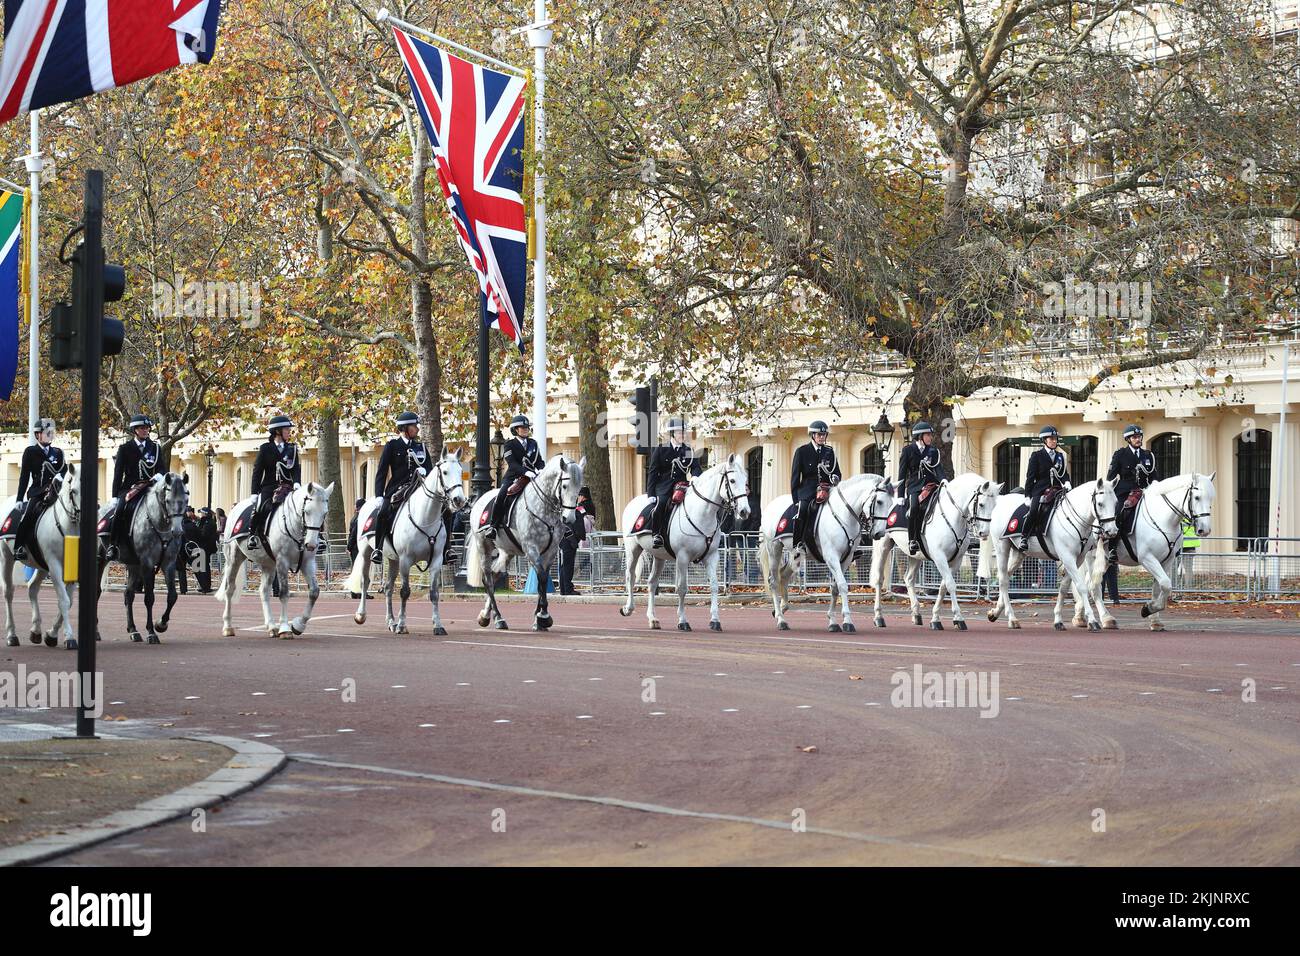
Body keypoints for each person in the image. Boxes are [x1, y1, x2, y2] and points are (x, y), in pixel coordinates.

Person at [1104, 423, 1157, 587]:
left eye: (1139, 436)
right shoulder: (1120, 455)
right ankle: (1112, 548)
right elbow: (1111, 477)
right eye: (1134, 437)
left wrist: (1154, 488)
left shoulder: (1148, 455)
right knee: (1119, 513)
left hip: (1145, 492)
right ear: (1128, 439)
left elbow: (1154, 476)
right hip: (1125, 492)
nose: (1138, 439)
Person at [371, 411, 428, 558]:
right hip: (397, 488)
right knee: (383, 512)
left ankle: (447, 549)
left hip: (418, 488)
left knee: (444, 510)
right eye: (414, 426)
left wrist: (425, 471)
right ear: (404, 428)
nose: (417, 428)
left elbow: (431, 469)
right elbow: (382, 471)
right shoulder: (392, 446)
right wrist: (379, 495)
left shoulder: (420, 447)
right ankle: (378, 549)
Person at [106, 414, 161, 561]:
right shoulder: (125, 448)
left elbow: (162, 468)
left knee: (169, 506)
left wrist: (158, 476)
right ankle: (113, 544)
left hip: (150, 486)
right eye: (142, 428)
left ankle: (177, 545)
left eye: (147, 428)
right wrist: (114, 496)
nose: (145, 430)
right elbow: (118, 474)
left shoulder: (155, 448)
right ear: (135, 430)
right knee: (120, 509)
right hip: (130, 487)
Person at [12, 418, 67, 563]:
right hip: (38, 492)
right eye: (47, 432)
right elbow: (24, 476)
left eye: (51, 432)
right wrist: (19, 498)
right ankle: (19, 547)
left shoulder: (58, 453)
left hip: (57, 491)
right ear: (38, 435)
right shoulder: (30, 452)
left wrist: (61, 477)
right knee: (28, 515)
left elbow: (66, 471)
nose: (50, 435)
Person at [485, 415, 545, 541]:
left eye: (527, 427)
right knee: (501, 495)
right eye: (522, 427)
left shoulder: (533, 443)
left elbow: (539, 461)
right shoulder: (509, 444)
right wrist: (525, 472)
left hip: (533, 476)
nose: (525, 429)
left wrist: (540, 469)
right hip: (514, 477)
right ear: (516, 430)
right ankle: (494, 526)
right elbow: (512, 464)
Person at [647, 418, 701, 551]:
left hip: (682, 485)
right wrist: (651, 493)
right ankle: (656, 534)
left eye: (684, 433)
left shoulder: (688, 450)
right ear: (672, 434)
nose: (683, 435)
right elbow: (653, 472)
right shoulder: (661, 449)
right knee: (661, 504)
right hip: (664, 487)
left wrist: (694, 476)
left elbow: (696, 467)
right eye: (679, 433)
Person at [790, 421, 842, 552]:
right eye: (819, 434)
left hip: (827, 488)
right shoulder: (802, 451)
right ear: (812, 435)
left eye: (824, 434)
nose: (822, 437)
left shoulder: (829, 451)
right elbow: (795, 477)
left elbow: (837, 472)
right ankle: (798, 543)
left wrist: (835, 478)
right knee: (802, 510)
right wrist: (796, 500)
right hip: (807, 489)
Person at [249, 414, 301, 544]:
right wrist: (254, 492)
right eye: (286, 430)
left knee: (305, 505)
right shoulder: (265, 448)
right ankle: (253, 535)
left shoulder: (292, 448)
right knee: (260, 507)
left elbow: (295, 469)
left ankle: (315, 537)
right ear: (277, 431)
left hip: (287, 486)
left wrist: (297, 483)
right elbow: (258, 471)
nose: (289, 432)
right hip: (269, 487)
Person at [1019, 425, 1072, 551]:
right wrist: (1028, 495)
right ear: (1045, 440)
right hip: (1040, 489)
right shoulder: (1036, 455)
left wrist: (1067, 482)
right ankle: (1024, 537)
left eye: (1055, 439)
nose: (1054, 441)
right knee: (1033, 511)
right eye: (1051, 439)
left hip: (1058, 488)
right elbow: (1030, 477)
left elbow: (1064, 473)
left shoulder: (1060, 456)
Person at [896, 421, 943, 555]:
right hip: (915, 487)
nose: (930, 437)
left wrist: (945, 481)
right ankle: (913, 540)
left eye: (930, 435)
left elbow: (938, 469)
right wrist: (900, 495)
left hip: (931, 485)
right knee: (914, 508)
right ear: (920, 436)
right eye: (928, 435)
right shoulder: (908, 450)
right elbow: (902, 474)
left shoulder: (933, 451)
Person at [558, 487, 594, 595]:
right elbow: (568, 526)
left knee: (565, 565)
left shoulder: (574, 509)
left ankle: (564, 589)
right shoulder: (568, 511)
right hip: (568, 540)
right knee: (568, 565)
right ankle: (567, 589)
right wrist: (573, 540)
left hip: (570, 540)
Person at [347, 497, 365, 598]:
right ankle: (356, 592)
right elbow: (353, 534)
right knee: (359, 569)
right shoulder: (359, 518)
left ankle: (356, 591)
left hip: (354, 546)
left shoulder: (355, 517)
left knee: (356, 569)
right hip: (356, 547)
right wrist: (349, 547)